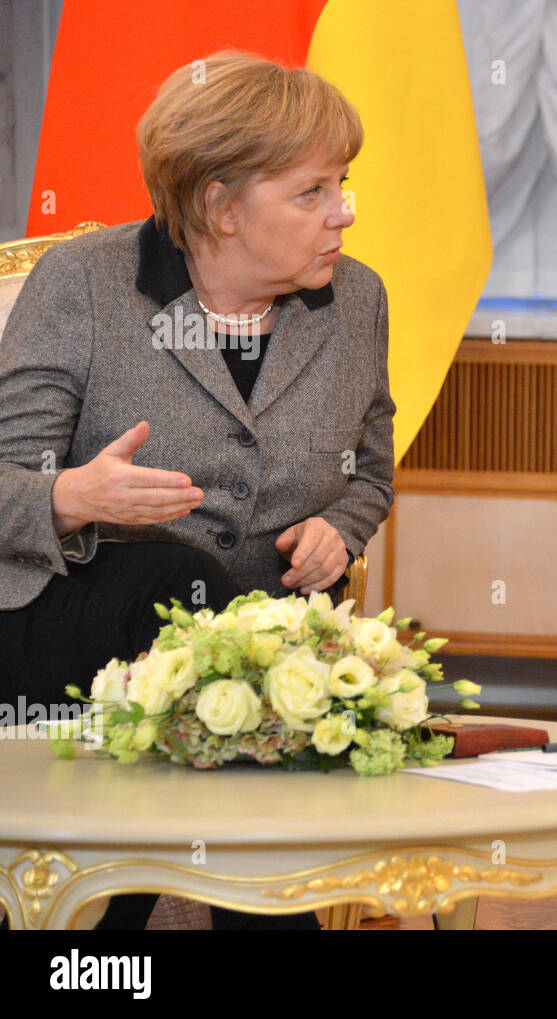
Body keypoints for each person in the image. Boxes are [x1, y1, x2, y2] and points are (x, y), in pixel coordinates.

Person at [0, 52, 396, 930]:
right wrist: (72, 496)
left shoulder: (357, 301)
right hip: (72, 618)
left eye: (344, 183)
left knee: (240, 646)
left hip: (260, 641)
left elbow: (371, 473)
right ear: (220, 207)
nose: (344, 212)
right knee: (171, 587)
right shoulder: (85, 286)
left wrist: (341, 525)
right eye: (312, 191)